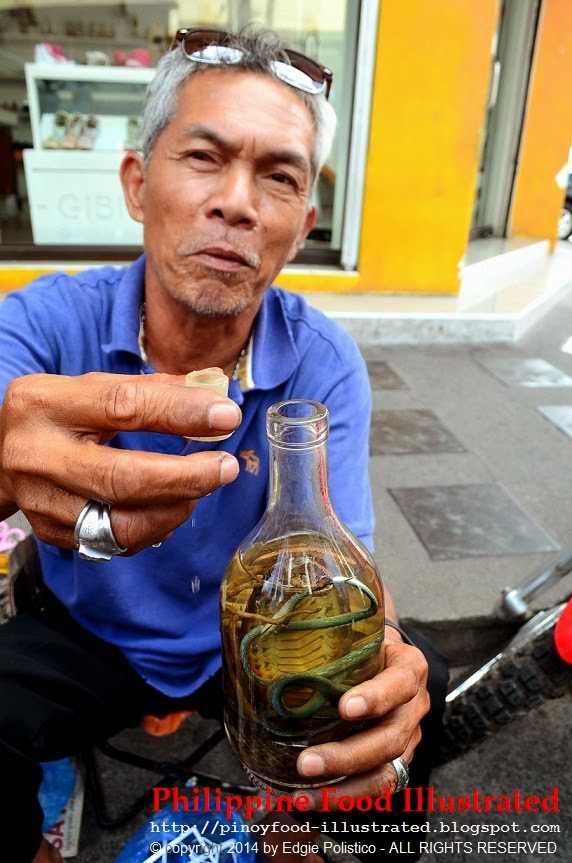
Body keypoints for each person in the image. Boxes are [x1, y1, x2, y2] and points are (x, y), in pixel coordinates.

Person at [0, 28, 446, 863]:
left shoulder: (324, 361)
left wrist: (385, 667)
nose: (237, 202)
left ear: (303, 222)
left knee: (418, 689)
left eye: (278, 175)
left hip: (240, 641)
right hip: (93, 634)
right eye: (204, 157)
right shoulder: (42, 322)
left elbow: (350, 563)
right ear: (138, 183)